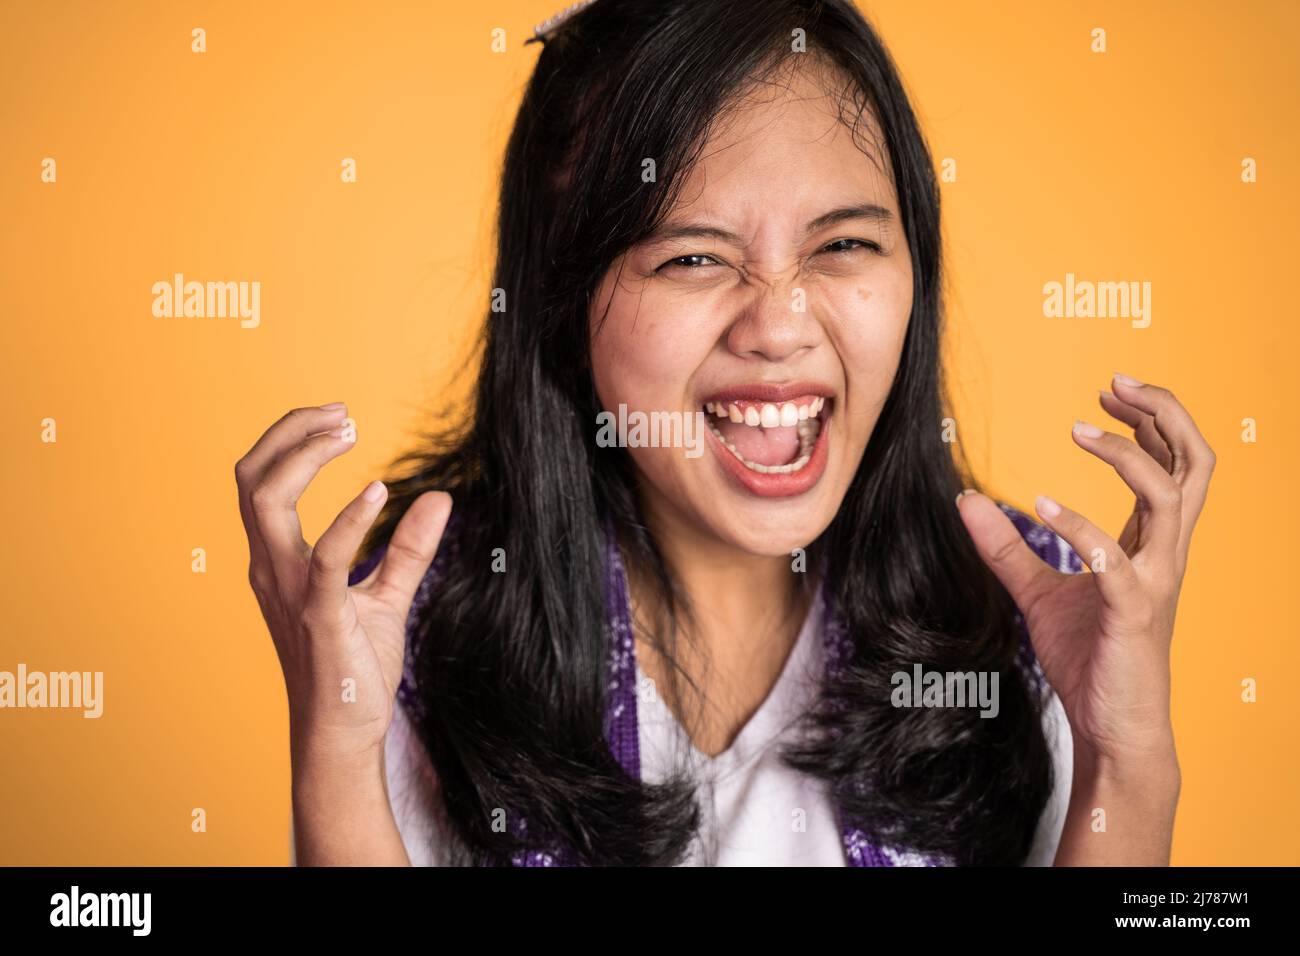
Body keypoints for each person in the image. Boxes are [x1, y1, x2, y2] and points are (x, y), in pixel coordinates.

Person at [235, 0, 1214, 866]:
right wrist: (335, 747)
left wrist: (1123, 757)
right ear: (561, 306)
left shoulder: (1030, 624)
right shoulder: (420, 624)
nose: (780, 324)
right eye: (694, 256)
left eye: (843, 245)